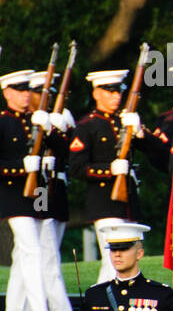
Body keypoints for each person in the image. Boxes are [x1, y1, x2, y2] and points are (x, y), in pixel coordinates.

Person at [0, 68, 71, 311]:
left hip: (38, 192)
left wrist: (49, 130)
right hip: (15, 195)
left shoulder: (36, 120)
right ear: (6, 93)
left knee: (22, 258)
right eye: (20, 90)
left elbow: (65, 150)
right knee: (34, 251)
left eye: (28, 89)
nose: (26, 94)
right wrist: (19, 167)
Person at [68, 69, 167, 282]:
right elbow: (76, 168)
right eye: (109, 92)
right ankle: (101, 309)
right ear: (96, 93)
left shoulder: (125, 121)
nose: (116, 96)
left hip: (128, 200)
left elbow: (159, 150)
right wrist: (109, 170)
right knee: (113, 259)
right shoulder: (87, 126)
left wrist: (140, 132)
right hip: (104, 202)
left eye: (118, 92)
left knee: (128, 260)